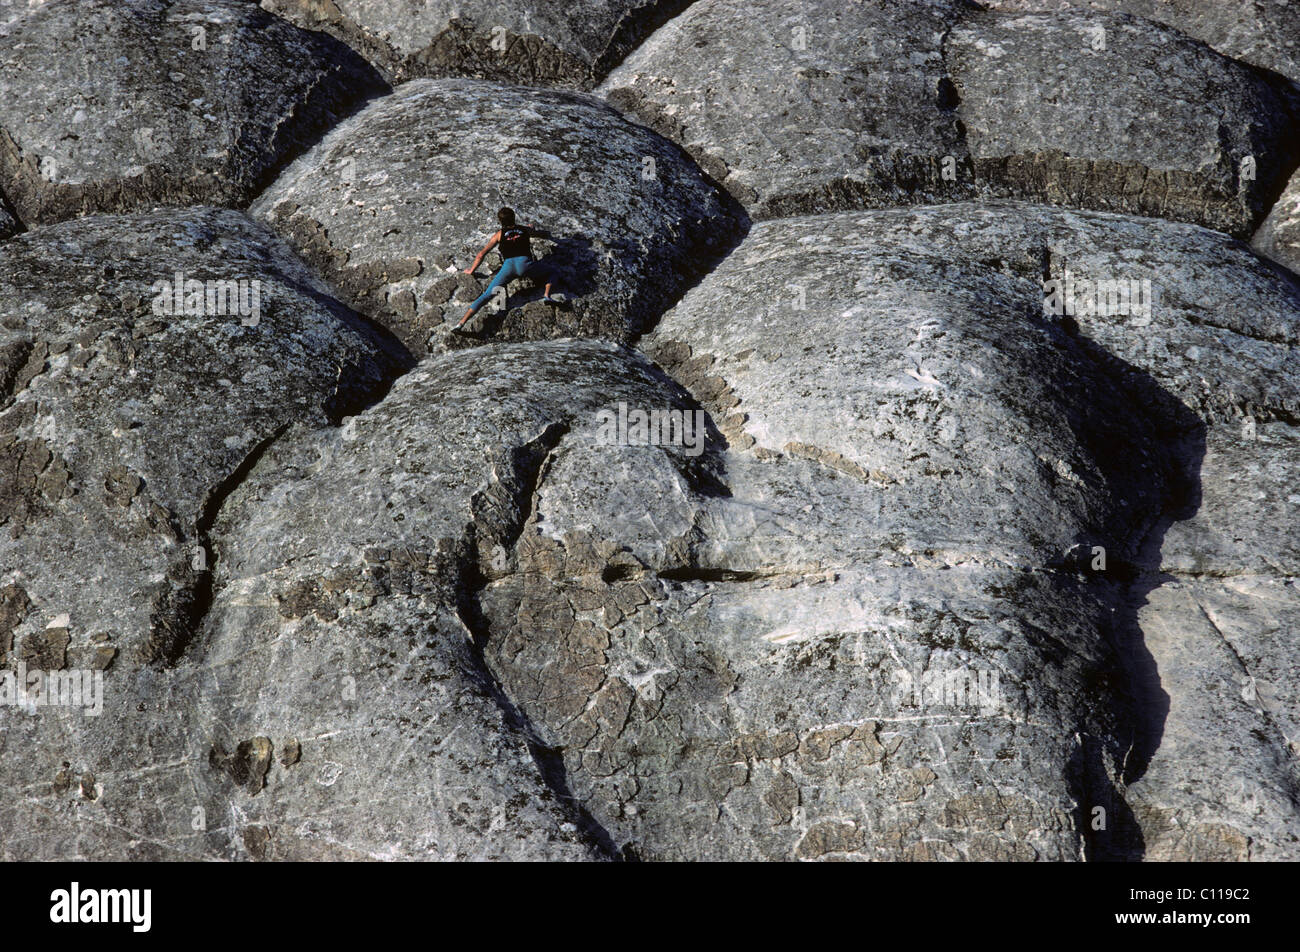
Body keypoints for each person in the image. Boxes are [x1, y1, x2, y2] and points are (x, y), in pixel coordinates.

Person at [453, 207, 560, 330]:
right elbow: (537, 233)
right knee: (553, 271)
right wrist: (534, 229)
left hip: (508, 268)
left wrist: (471, 270)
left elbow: (481, 254)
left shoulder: (499, 235)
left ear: (500, 221)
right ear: (514, 217)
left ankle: (460, 324)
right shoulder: (524, 229)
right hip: (525, 265)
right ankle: (547, 295)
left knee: (487, 295)